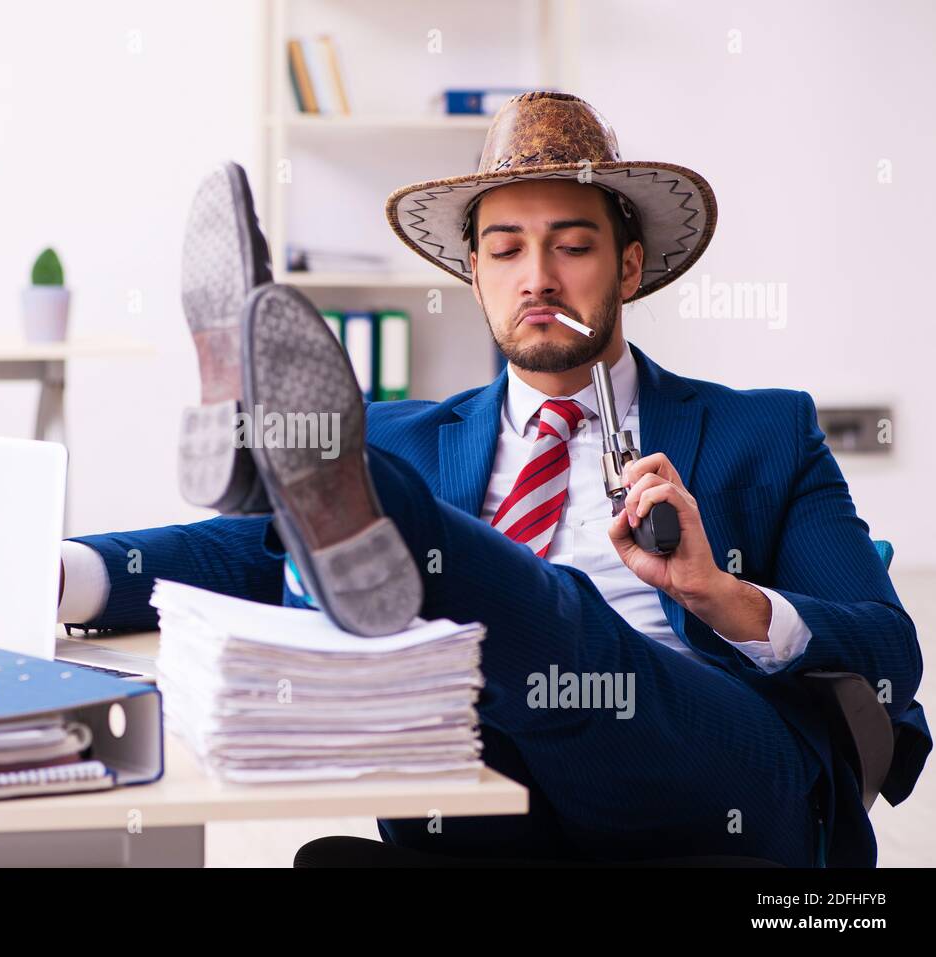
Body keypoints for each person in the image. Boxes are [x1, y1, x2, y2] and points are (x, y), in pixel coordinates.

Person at [58, 92, 928, 866]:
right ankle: (273, 474)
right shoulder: (410, 436)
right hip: (482, 774)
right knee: (357, 619)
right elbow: (231, 554)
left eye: (573, 246)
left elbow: (891, 655)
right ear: (473, 274)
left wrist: (719, 594)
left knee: (563, 621)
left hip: (715, 772)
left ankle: (286, 460)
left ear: (627, 266)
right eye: (506, 250)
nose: (538, 278)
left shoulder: (763, 429)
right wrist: (60, 571)